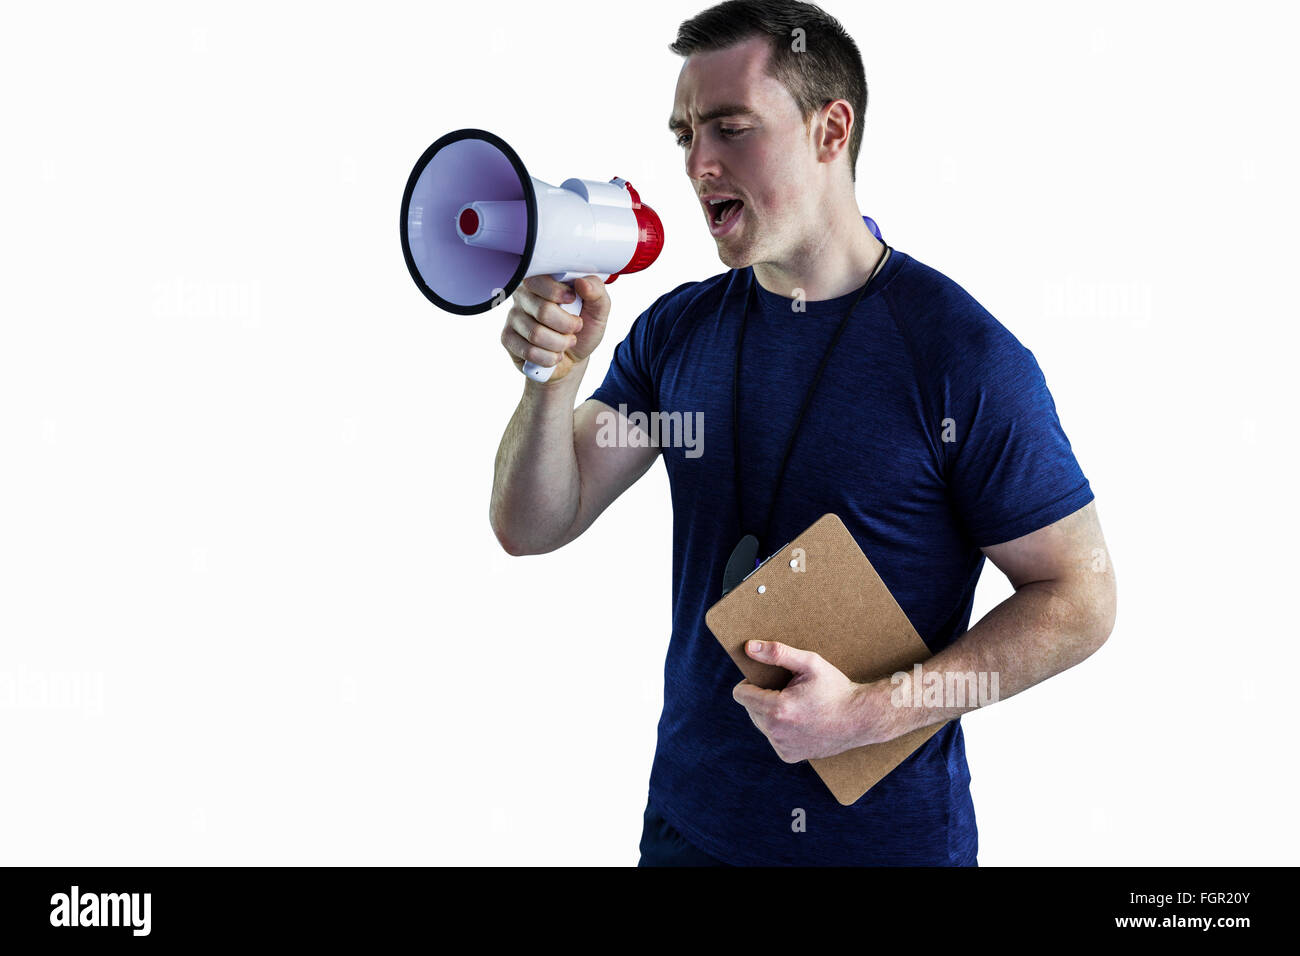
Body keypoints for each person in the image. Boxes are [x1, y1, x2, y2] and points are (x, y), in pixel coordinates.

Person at [489, 0, 1117, 866]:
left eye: (730, 128)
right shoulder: (679, 330)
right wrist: (552, 379)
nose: (697, 163)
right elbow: (534, 524)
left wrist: (872, 711)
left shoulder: (961, 356)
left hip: (885, 849)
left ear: (831, 130)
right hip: (688, 831)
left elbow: (1080, 600)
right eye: (684, 135)